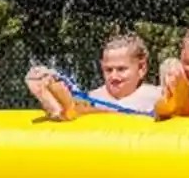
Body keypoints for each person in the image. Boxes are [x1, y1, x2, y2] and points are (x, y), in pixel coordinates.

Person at [26, 33, 163, 120]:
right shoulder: (95, 97)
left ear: (141, 68)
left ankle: (59, 102)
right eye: (108, 70)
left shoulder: (154, 95)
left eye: (121, 69)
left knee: (78, 110)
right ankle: (47, 89)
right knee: (74, 107)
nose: (114, 76)